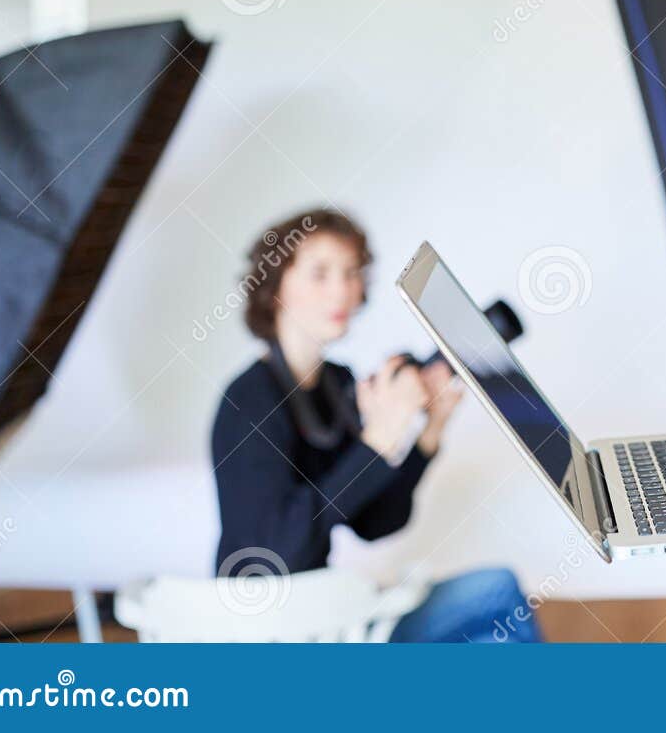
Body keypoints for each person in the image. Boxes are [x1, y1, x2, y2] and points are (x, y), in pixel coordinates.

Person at [210, 207, 539, 643]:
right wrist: (379, 438)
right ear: (274, 288)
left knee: (497, 596)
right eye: (320, 273)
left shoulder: (336, 384)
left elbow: (375, 522)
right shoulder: (248, 401)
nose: (342, 290)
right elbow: (277, 555)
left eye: (351, 273)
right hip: (273, 634)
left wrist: (426, 433)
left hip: (325, 616)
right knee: (491, 601)